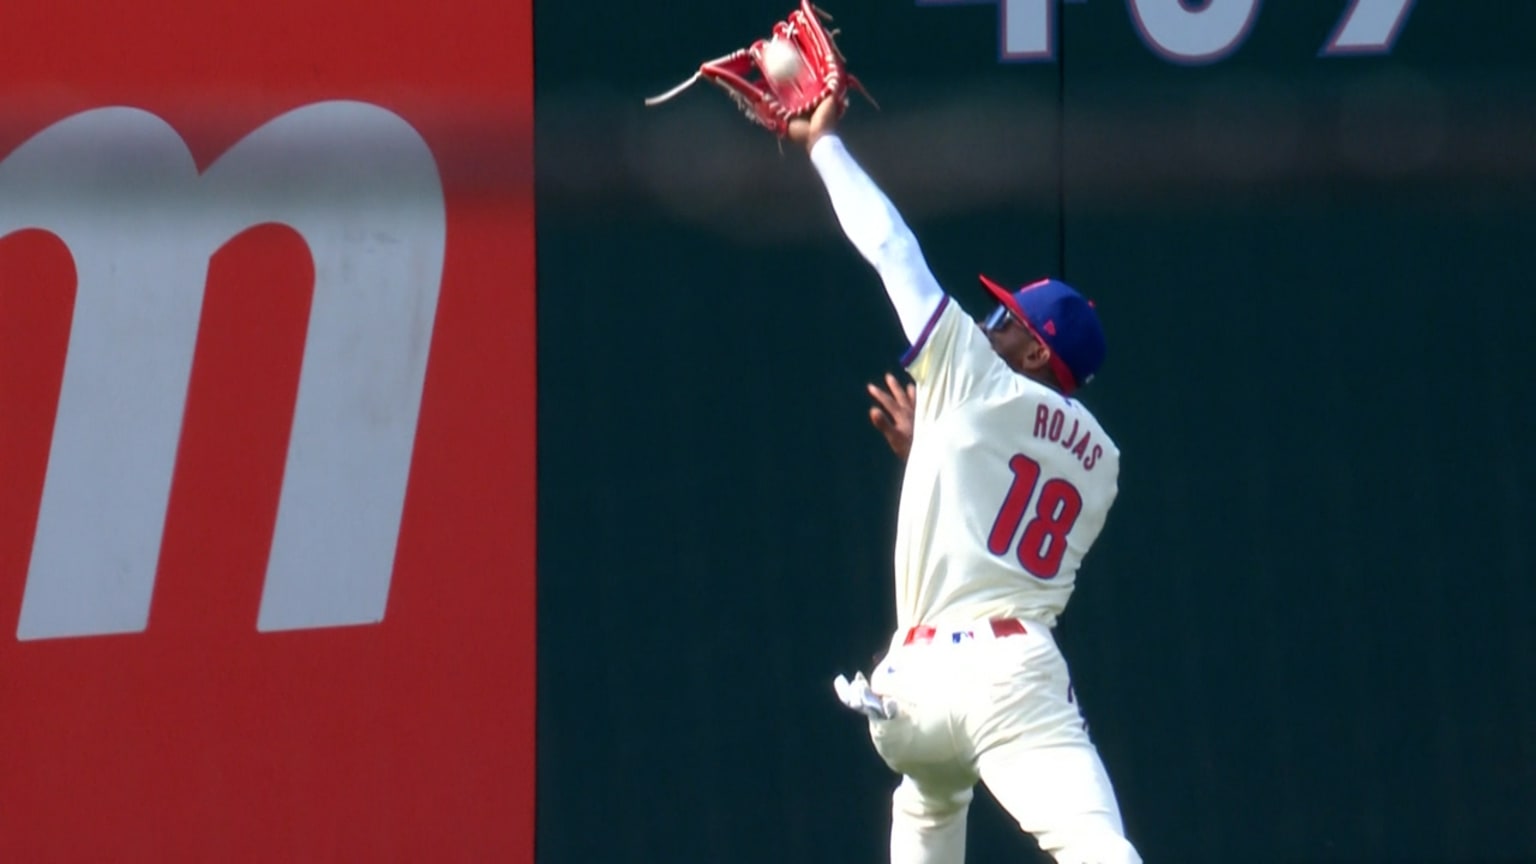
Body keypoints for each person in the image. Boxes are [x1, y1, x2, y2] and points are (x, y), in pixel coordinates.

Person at [789, 96, 1141, 864]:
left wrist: (823, 145)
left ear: (1039, 354)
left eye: (1010, 319)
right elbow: (1000, 508)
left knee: (929, 793)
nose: (991, 322)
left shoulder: (972, 375)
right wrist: (936, 448)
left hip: (911, 696)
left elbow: (891, 246)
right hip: (1009, 678)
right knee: (1097, 848)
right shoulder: (1103, 465)